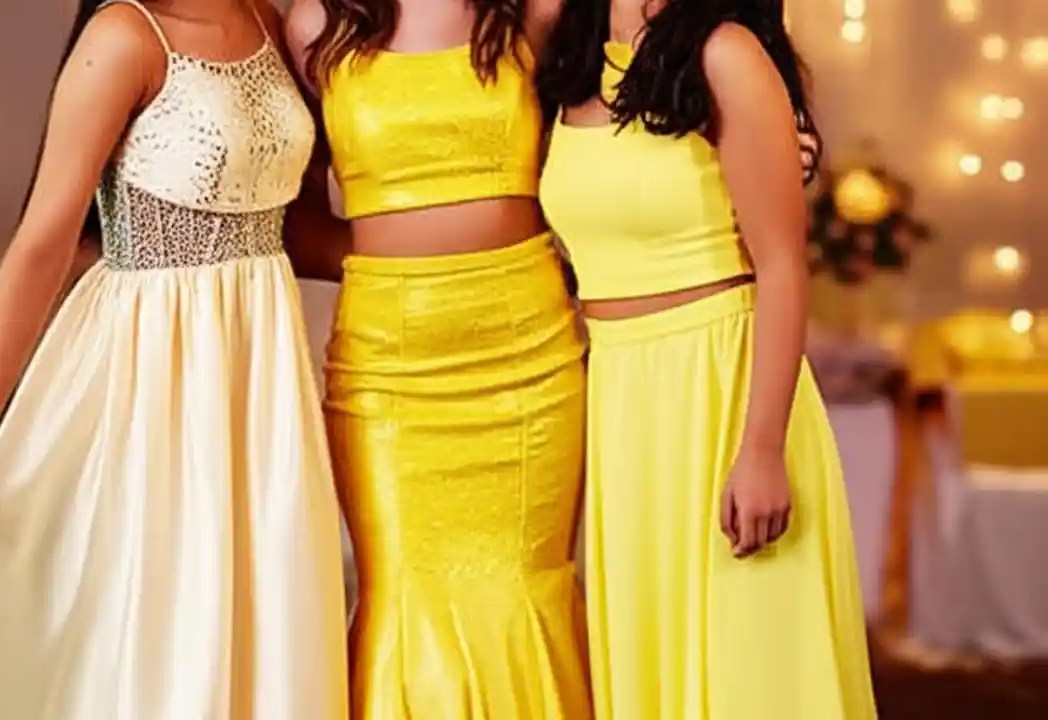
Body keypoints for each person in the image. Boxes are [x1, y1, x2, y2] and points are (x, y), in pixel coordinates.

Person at [0, 0, 348, 717]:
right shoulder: (125, 36)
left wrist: (453, 252)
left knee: (261, 601)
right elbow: (41, 247)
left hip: (260, 377)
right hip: (147, 378)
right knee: (160, 617)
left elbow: (297, 228)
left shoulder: (269, 19)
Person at [538, 0, 876, 718]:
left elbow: (783, 267)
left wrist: (761, 450)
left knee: (748, 669)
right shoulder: (569, 60)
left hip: (721, 384)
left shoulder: (726, 54)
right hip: (622, 398)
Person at [285, 0, 591, 717]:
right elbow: (288, 215)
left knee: (522, 584)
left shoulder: (532, 13)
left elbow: (625, 112)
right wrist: (400, 263)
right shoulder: (313, 25)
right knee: (404, 585)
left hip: (529, 356)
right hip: (389, 362)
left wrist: (769, 131)